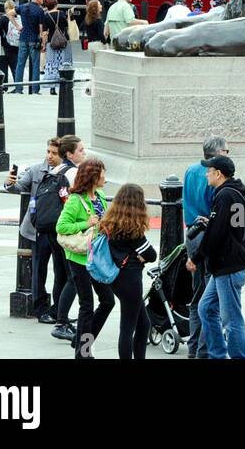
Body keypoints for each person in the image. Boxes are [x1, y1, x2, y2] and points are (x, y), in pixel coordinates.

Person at [4, 138, 70, 324]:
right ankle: (40, 308)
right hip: (37, 229)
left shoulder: (68, 173)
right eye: (48, 151)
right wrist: (9, 183)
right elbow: (18, 187)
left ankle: (58, 310)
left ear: (62, 154)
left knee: (61, 271)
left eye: (54, 153)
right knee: (38, 269)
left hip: (59, 230)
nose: (49, 156)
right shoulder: (36, 170)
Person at [191, 154, 245, 359]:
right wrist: (215, 223)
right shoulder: (236, 193)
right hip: (228, 266)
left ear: (218, 174)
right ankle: (217, 354)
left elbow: (215, 235)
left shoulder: (225, 195)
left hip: (228, 266)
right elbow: (236, 229)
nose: (206, 174)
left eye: (209, 171)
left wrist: (196, 257)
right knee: (206, 308)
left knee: (232, 320)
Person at [56, 156, 114, 358]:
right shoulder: (74, 200)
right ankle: (83, 352)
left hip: (96, 257)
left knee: (108, 301)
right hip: (79, 258)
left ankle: (80, 339)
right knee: (87, 305)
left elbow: (103, 219)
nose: (105, 177)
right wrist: (86, 224)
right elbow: (61, 227)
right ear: (93, 176)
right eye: (102, 173)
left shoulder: (100, 194)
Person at [97, 183, 157, 359]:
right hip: (130, 279)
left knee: (143, 324)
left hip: (116, 277)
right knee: (128, 328)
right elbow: (151, 254)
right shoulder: (132, 229)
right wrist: (141, 256)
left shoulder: (110, 223)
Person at [182, 136, 226, 358]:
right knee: (210, 297)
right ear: (218, 153)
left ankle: (194, 348)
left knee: (198, 294)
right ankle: (204, 349)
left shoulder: (190, 170)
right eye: (226, 150)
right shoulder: (215, 176)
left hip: (192, 233)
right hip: (208, 234)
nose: (228, 154)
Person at [51, 135, 87, 341]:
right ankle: (61, 321)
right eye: (81, 150)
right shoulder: (73, 173)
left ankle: (59, 316)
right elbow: (77, 198)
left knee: (61, 275)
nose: (84, 153)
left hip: (49, 226)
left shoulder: (56, 170)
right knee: (73, 278)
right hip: (64, 228)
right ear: (70, 154)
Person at [11, 0, 47, 93]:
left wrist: (18, 26)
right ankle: (35, 89)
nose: (43, 0)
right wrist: (43, 42)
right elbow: (41, 29)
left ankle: (18, 88)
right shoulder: (40, 11)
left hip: (23, 39)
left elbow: (10, 13)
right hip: (34, 40)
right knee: (35, 65)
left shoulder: (22, 7)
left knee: (20, 64)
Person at [40, 0, 73, 93]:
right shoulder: (62, 14)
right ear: (56, 5)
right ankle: (65, 83)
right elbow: (67, 26)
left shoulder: (46, 16)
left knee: (52, 63)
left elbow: (45, 32)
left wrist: (44, 43)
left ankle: (52, 87)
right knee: (64, 62)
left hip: (52, 42)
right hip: (63, 41)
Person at [0, 0, 21, 82]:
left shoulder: (3, 18)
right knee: (18, 64)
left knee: (12, 64)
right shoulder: (18, 17)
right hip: (19, 43)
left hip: (8, 44)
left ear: (6, 8)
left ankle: (17, 85)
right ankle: (19, 82)